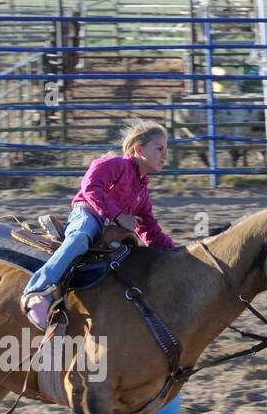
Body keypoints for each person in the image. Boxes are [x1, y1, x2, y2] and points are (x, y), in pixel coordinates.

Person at [20, 118, 177, 330]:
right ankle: (37, 293)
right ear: (139, 149)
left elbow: (151, 231)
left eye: (165, 150)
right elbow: (91, 187)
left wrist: (178, 254)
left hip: (107, 227)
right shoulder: (115, 164)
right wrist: (119, 215)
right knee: (80, 237)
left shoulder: (142, 193)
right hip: (87, 212)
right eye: (159, 148)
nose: (164, 155)